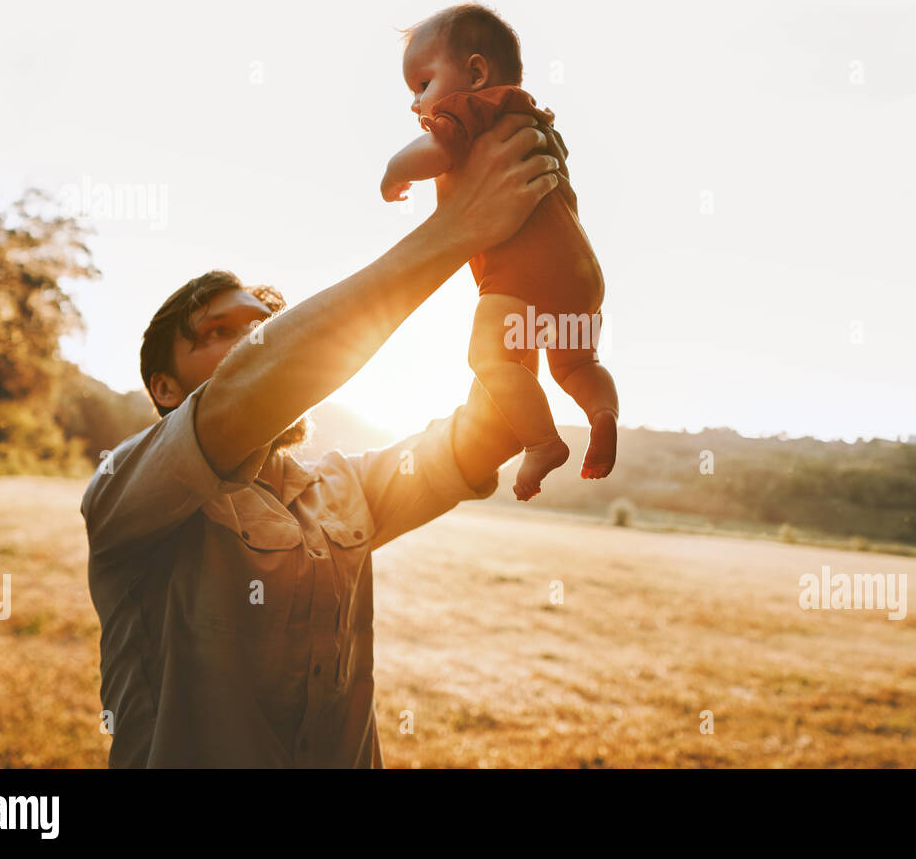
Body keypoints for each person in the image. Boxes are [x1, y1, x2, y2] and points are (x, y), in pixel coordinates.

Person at [80, 114, 560, 767]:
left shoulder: (347, 487)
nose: (253, 338)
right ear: (163, 386)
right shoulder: (125, 493)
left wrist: (515, 257)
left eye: (264, 324)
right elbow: (258, 383)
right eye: (221, 332)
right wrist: (460, 226)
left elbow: (495, 427)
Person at [381, 3, 619, 501]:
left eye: (422, 85)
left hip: (520, 275)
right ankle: (602, 415)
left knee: (489, 356)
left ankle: (542, 443)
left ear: (474, 71)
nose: (417, 104)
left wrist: (394, 169)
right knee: (575, 365)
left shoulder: (475, 108)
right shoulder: (533, 117)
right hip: (581, 275)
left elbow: (438, 151)